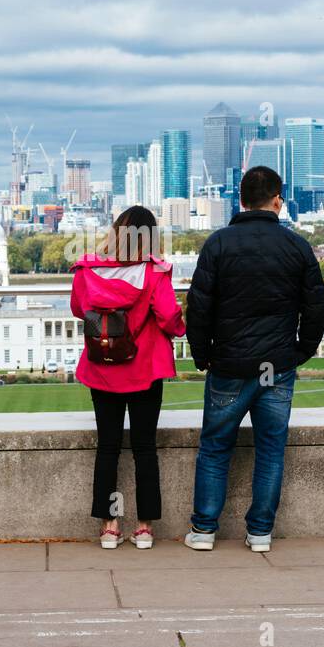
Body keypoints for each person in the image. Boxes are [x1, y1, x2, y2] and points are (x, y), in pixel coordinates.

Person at [184, 166, 324, 553]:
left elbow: (198, 307)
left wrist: (202, 355)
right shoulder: (297, 247)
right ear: (277, 200)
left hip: (228, 365)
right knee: (270, 449)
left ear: (241, 200)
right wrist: (301, 352)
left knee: (215, 447)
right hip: (277, 366)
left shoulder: (218, 244)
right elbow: (316, 307)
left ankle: (204, 529)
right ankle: (260, 532)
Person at [70, 206, 186, 549]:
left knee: (107, 447)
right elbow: (168, 318)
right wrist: (181, 327)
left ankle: (109, 525)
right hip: (144, 368)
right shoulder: (155, 272)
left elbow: (79, 309)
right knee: (144, 448)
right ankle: (145, 527)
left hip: (103, 367)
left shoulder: (87, 269)